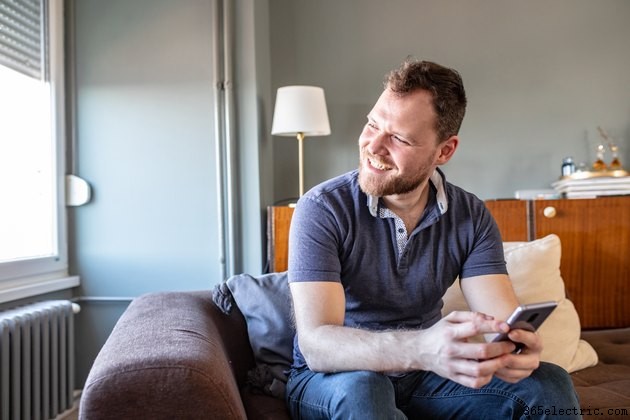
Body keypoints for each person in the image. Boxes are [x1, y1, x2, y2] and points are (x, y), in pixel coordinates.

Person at [285, 59, 581, 419]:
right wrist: (423, 348)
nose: (373, 146)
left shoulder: (470, 215)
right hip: (331, 379)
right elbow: (317, 346)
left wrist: (514, 352)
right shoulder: (321, 209)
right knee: (366, 390)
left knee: (548, 383)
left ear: (444, 151)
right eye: (372, 124)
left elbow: (499, 324)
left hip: (425, 379)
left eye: (399, 138)